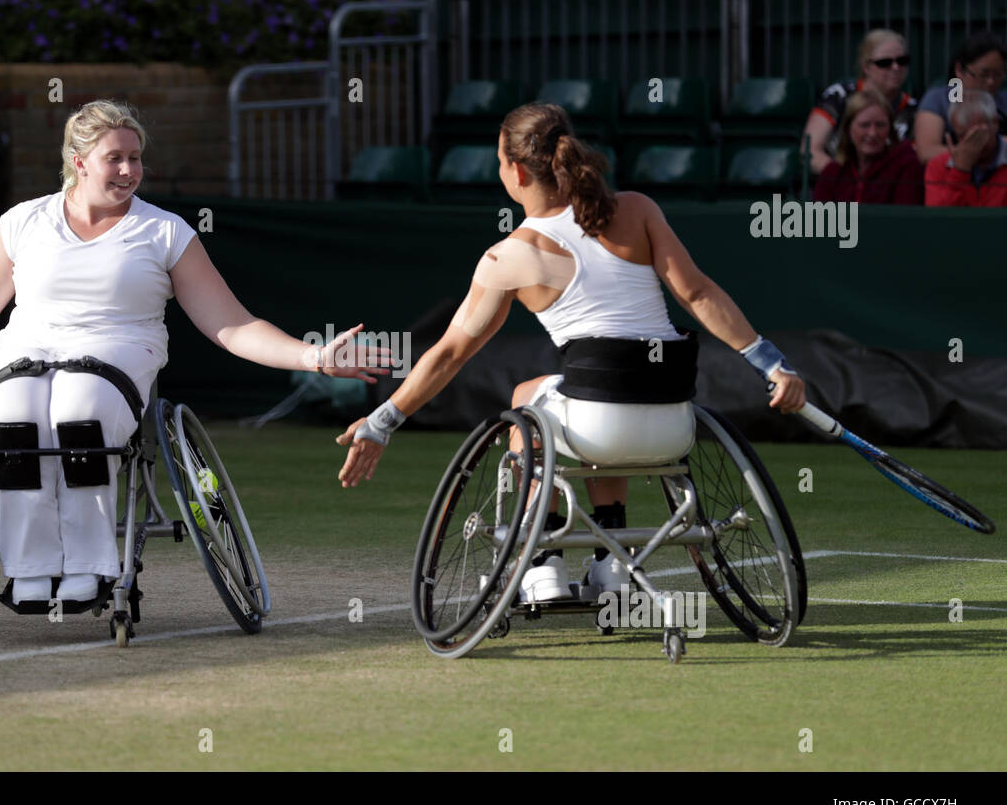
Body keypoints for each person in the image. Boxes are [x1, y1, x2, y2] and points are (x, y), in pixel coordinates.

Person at [336, 102, 806, 603]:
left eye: (499, 162)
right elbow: (697, 294)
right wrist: (771, 364)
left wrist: (382, 421)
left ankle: (544, 564)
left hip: (600, 424)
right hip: (674, 424)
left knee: (530, 396)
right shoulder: (639, 210)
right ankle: (612, 565)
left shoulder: (510, 256)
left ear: (515, 171)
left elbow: (451, 353)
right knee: (598, 388)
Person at [0, 99, 384, 604]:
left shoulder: (165, 231)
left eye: (136, 158)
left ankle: (87, 566)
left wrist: (312, 357)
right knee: (8, 421)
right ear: (78, 162)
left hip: (116, 352)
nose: (129, 170)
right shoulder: (24, 221)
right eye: (115, 158)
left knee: (80, 414)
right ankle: (28, 566)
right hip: (24, 350)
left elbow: (230, 324)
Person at [801, 29, 917, 176]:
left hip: (887, 191)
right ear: (866, 67)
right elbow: (810, 150)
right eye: (885, 63)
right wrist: (843, 179)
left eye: (902, 61)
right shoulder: (839, 96)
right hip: (836, 186)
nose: (896, 68)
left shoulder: (914, 109)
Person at [813, 88, 923, 204]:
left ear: (890, 129)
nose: (872, 133)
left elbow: (906, 219)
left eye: (880, 125)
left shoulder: (906, 166)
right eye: (864, 125)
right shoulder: (832, 172)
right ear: (848, 128)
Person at [912, 31, 1007, 165]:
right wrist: (976, 153)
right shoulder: (938, 99)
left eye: (998, 74)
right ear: (960, 70)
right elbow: (927, 151)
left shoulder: (1003, 100)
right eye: (983, 74)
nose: (991, 81)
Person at [924, 90, 1007, 207]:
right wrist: (959, 171)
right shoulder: (939, 166)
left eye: (976, 134)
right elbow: (938, 219)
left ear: (995, 124)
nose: (970, 142)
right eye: (962, 135)